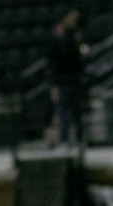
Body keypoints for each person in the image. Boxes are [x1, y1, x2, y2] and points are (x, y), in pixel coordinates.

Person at [46, 10, 85, 146]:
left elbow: (76, 61)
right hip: (66, 80)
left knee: (72, 110)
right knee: (67, 110)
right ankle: (68, 138)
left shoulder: (70, 40)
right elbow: (53, 64)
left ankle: (71, 138)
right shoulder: (62, 42)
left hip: (70, 79)